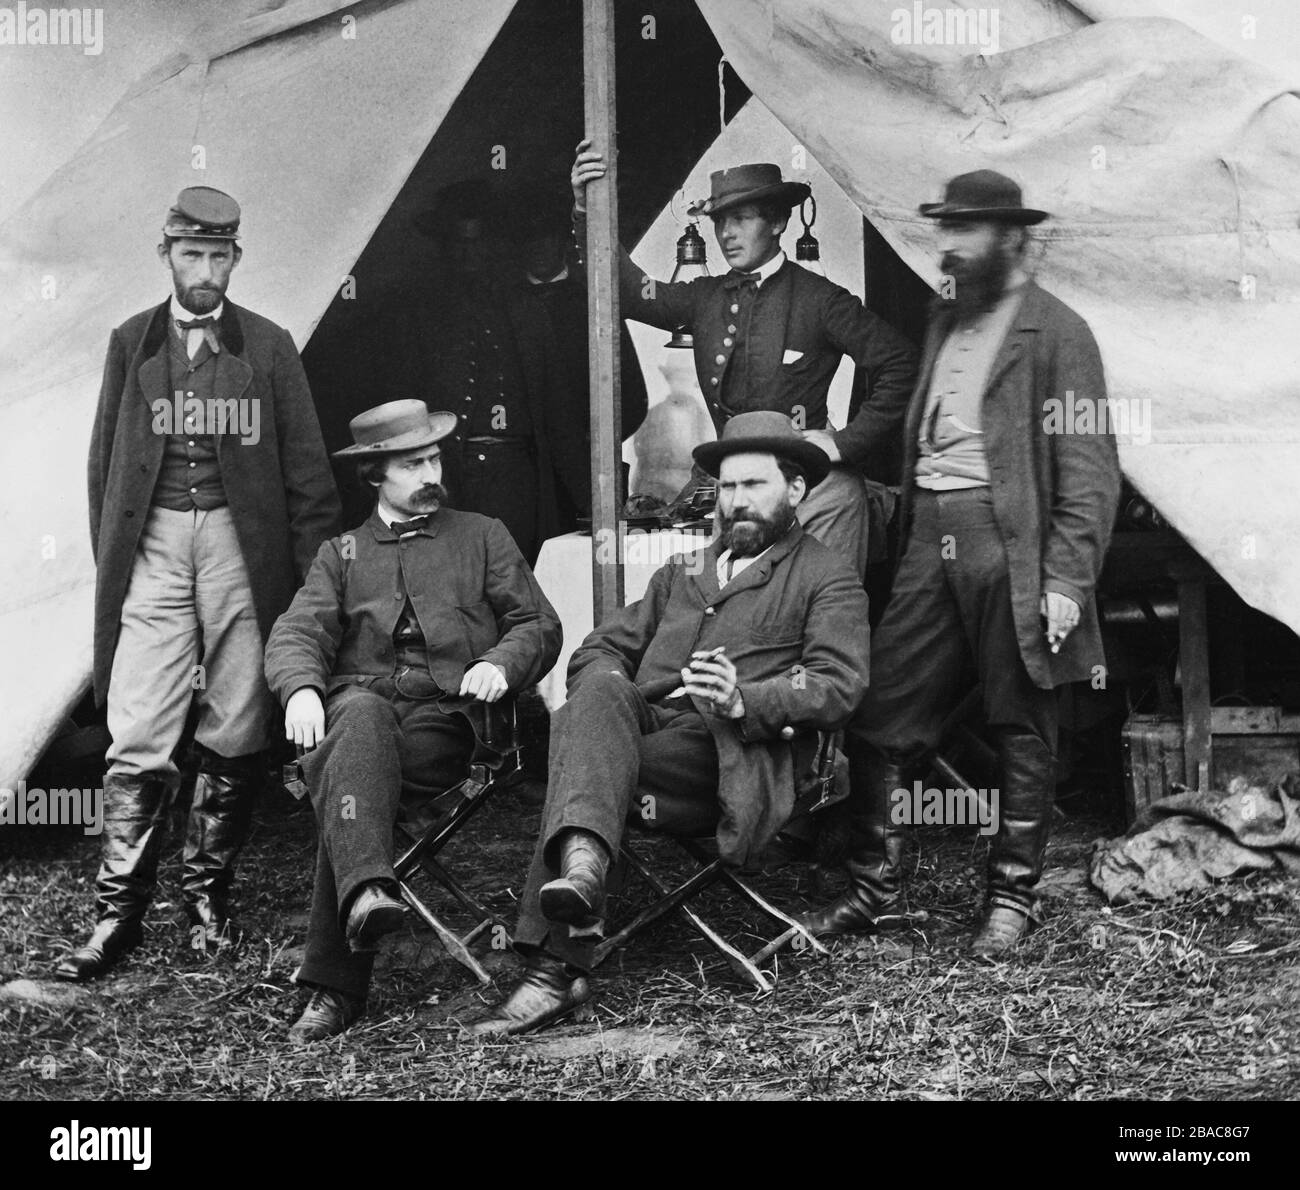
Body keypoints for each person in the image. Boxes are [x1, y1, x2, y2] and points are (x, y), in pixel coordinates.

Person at [797, 171, 1122, 957]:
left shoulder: (1060, 332)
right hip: (929, 531)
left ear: (1012, 238)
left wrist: (1067, 581)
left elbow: (1089, 471)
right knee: (881, 705)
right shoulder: (945, 318)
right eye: (944, 227)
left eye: (967, 229)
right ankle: (873, 886)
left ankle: (1013, 897)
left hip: (1009, 540)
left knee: (1022, 714)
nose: (949, 244)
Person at [474, 411, 871, 1036]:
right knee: (595, 699)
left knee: (588, 762)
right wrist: (609, 690)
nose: (736, 502)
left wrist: (748, 698)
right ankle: (580, 876)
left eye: (754, 486)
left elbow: (837, 683)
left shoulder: (826, 577)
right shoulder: (683, 571)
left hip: (733, 755)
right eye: (727, 488)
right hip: (645, 736)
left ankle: (556, 964)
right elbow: (599, 647)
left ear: (795, 490)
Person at [60, 187, 340, 982]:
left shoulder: (271, 347)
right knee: (137, 722)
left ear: (236, 259)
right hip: (152, 544)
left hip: (238, 546)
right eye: (193, 255)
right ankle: (117, 913)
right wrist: (120, 555)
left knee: (239, 718)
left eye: (220, 256)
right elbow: (104, 467)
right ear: (167, 255)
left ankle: (207, 898)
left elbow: (310, 480)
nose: (207, 271)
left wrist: (304, 588)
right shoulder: (131, 342)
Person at [263, 400, 561, 1042]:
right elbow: (296, 630)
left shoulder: (482, 534)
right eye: (412, 463)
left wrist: (502, 664)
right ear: (374, 474)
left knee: (352, 780)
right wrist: (300, 692)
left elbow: (538, 622)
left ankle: (334, 986)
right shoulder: (339, 554)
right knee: (359, 720)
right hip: (355, 711)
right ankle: (368, 894)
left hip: (446, 724)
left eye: (433, 457)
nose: (431, 471)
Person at [571, 142, 918, 577]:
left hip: (814, 493)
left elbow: (901, 363)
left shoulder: (821, 300)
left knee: (819, 606)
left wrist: (844, 444)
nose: (726, 234)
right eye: (720, 221)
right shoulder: (705, 297)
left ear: (777, 221)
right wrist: (590, 212)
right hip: (735, 492)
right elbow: (626, 292)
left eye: (741, 219)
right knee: (734, 610)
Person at [388, 180, 586, 564]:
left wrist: (590, 503)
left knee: (517, 579)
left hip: (519, 482)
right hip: (447, 476)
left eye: (477, 242)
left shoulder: (528, 311)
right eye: (459, 243)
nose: (469, 254)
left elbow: (559, 413)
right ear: (445, 246)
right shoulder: (420, 316)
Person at [513, 191, 648, 527]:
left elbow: (631, 394)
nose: (539, 246)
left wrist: (595, 439)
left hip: (589, 468)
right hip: (527, 474)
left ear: (562, 238)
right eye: (530, 237)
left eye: (547, 235)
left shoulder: (595, 302)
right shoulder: (505, 308)